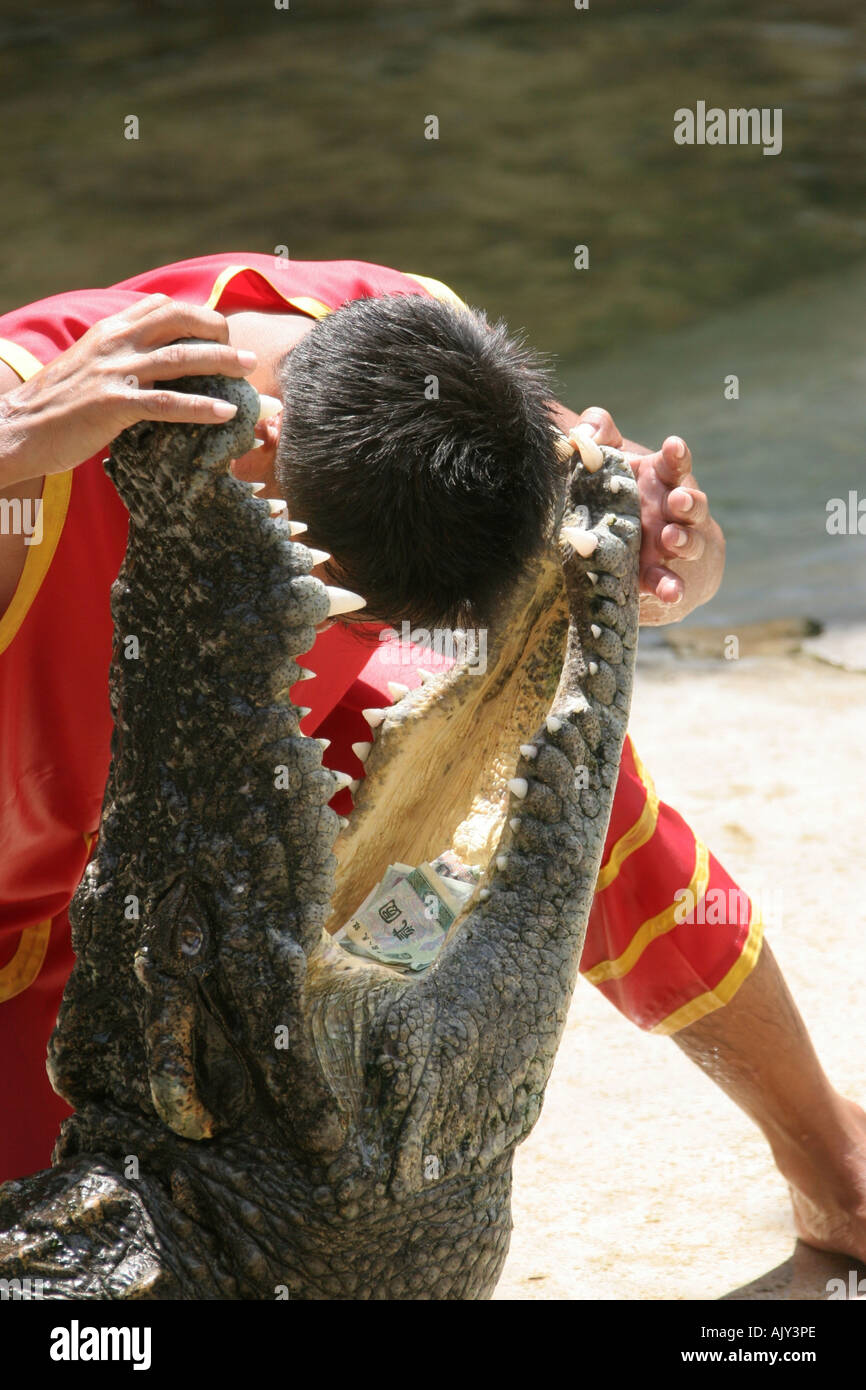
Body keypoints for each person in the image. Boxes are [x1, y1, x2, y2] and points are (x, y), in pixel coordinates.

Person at [0, 253, 863, 1267]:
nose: (358, 631)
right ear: (260, 447)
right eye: (353, 611)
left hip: (174, 832)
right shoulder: (38, 440)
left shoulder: (419, 361)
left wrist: (668, 559)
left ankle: (828, 1158)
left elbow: (610, 496)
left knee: (532, 737)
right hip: (25, 916)